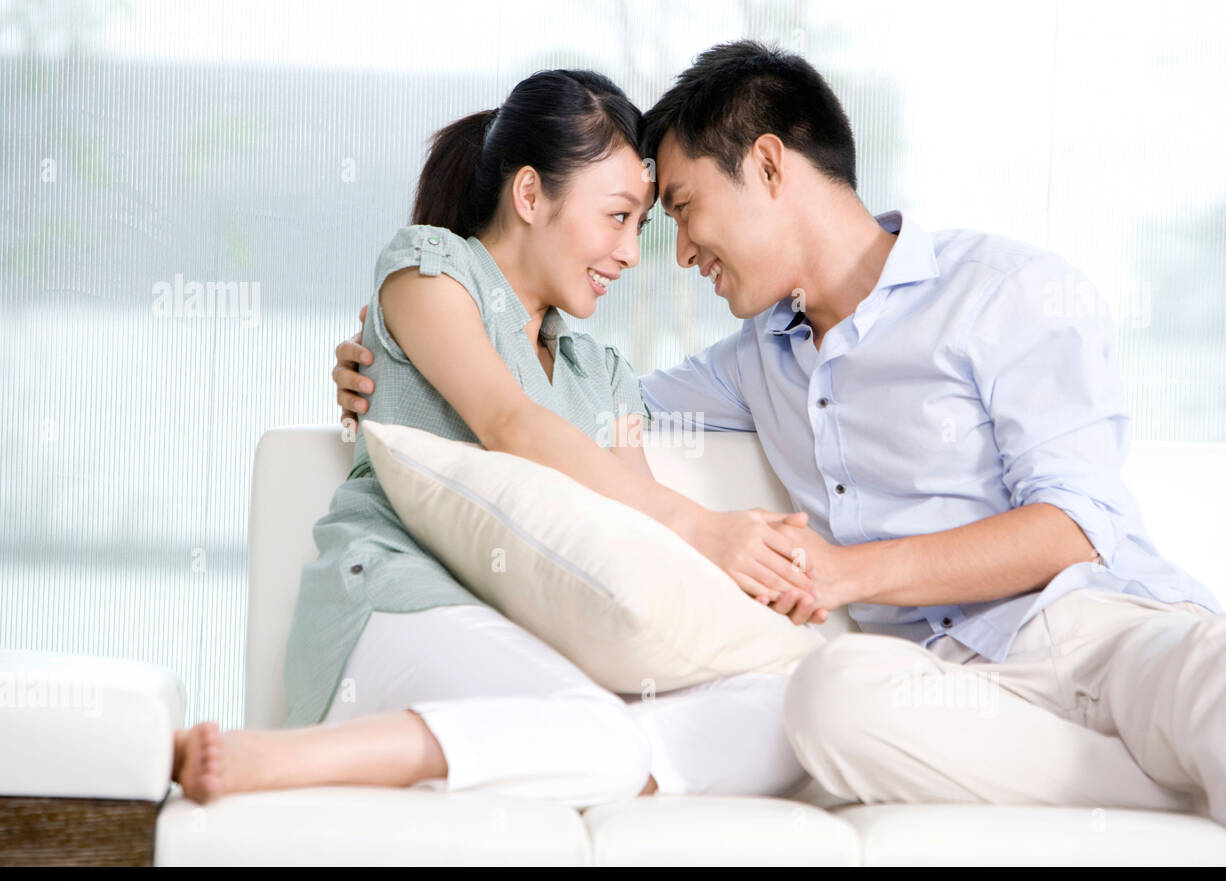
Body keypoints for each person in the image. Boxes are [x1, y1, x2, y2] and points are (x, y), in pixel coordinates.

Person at [337, 41, 1226, 865]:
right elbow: (558, 409)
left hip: (1097, 629)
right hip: (946, 696)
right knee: (827, 697)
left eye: (679, 208)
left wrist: (845, 574)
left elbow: (1073, 525)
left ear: (767, 165)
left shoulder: (1007, 290)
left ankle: (1215, 762)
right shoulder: (753, 361)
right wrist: (399, 360)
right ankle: (1198, 801)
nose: (676, 256)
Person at [172, 68, 828, 810]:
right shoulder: (429, 271)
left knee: (801, 705)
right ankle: (285, 758)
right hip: (398, 605)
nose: (629, 254)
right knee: (602, 734)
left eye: (638, 227)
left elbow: (629, 539)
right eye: (616, 217)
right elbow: (510, 422)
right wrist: (707, 529)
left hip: (530, 650)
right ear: (528, 196)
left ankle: (578, 760)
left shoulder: (602, 375)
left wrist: (765, 584)